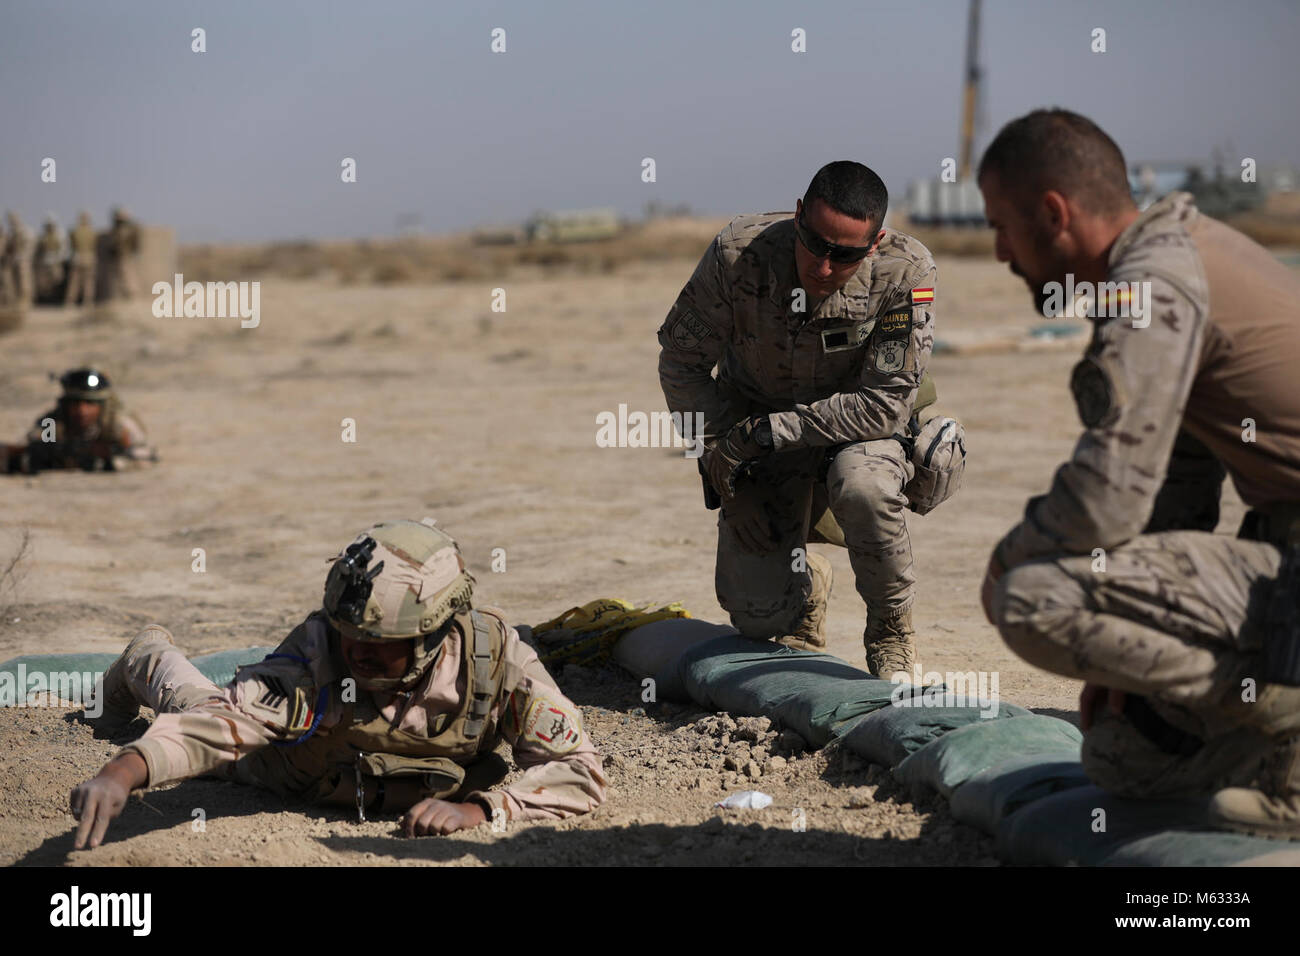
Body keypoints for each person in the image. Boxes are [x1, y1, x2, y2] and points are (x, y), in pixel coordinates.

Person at [978, 108, 1300, 837]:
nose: (998, 251)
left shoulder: (1153, 286)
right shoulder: (1181, 252)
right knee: (1125, 758)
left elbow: (1104, 504)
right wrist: (1120, 664)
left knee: (1030, 597)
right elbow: (1176, 487)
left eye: (1001, 225)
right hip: (1285, 570)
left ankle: (1288, 724)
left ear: (1054, 212)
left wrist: (1006, 556)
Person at [70, 519, 607, 849]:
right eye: (349, 636)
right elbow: (214, 727)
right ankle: (147, 656)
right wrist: (122, 774)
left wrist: (482, 811)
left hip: (424, 787)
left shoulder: (496, 663)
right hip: (278, 764)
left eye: (379, 643)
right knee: (194, 702)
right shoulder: (315, 656)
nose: (357, 652)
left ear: (434, 633)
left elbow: (580, 771)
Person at [658, 161, 960, 677]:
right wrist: (728, 471)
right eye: (814, 243)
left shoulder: (905, 270)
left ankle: (891, 630)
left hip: (858, 432)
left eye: (844, 255)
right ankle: (805, 587)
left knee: (863, 486)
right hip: (756, 438)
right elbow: (681, 362)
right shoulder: (738, 254)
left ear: (875, 241)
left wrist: (763, 435)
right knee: (756, 619)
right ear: (797, 214)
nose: (823, 266)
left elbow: (884, 404)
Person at [4, 367, 156, 474]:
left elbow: (145, 456)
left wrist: (108, 462)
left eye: (89, 403)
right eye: (75, 403)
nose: (82, 410)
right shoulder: (53, 422)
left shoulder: (117, 424)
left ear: (102, 405)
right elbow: (33, 446)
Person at [105, 206, 141, 299]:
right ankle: (129, 294)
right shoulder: (125, 229)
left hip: (124, 256)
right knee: (124, 275)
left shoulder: (123, 230)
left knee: (127, 275)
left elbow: (120, 243)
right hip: (124, 255)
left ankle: (132, 294)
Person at [64, 211, 97, 307]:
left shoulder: (74, 231)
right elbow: (94, 245)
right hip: (89, 257)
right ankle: (88, 301)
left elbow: (71, 245)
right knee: (88, 281)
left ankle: (70, 301)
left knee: (74, 281)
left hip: (77, 257)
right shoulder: (92, 232)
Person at [2, 211, 34, 306]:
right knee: (14, 282)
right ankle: (17, 301)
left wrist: (24, 256)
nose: (11, 222)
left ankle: (26, 301)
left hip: (23, 260)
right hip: (15, 260)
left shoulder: (24, 231)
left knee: (24, 283)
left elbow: (29, 246)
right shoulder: (12, 233)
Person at [34, 214, 67, 302]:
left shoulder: (60, 235)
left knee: (57, 281)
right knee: (43, 284)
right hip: (44, 263)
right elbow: (38, 251)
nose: (49, 227)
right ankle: (45, 300)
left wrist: (58, 258)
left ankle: (57, 299)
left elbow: (63, 249)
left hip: (56, 262)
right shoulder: (42, 237)